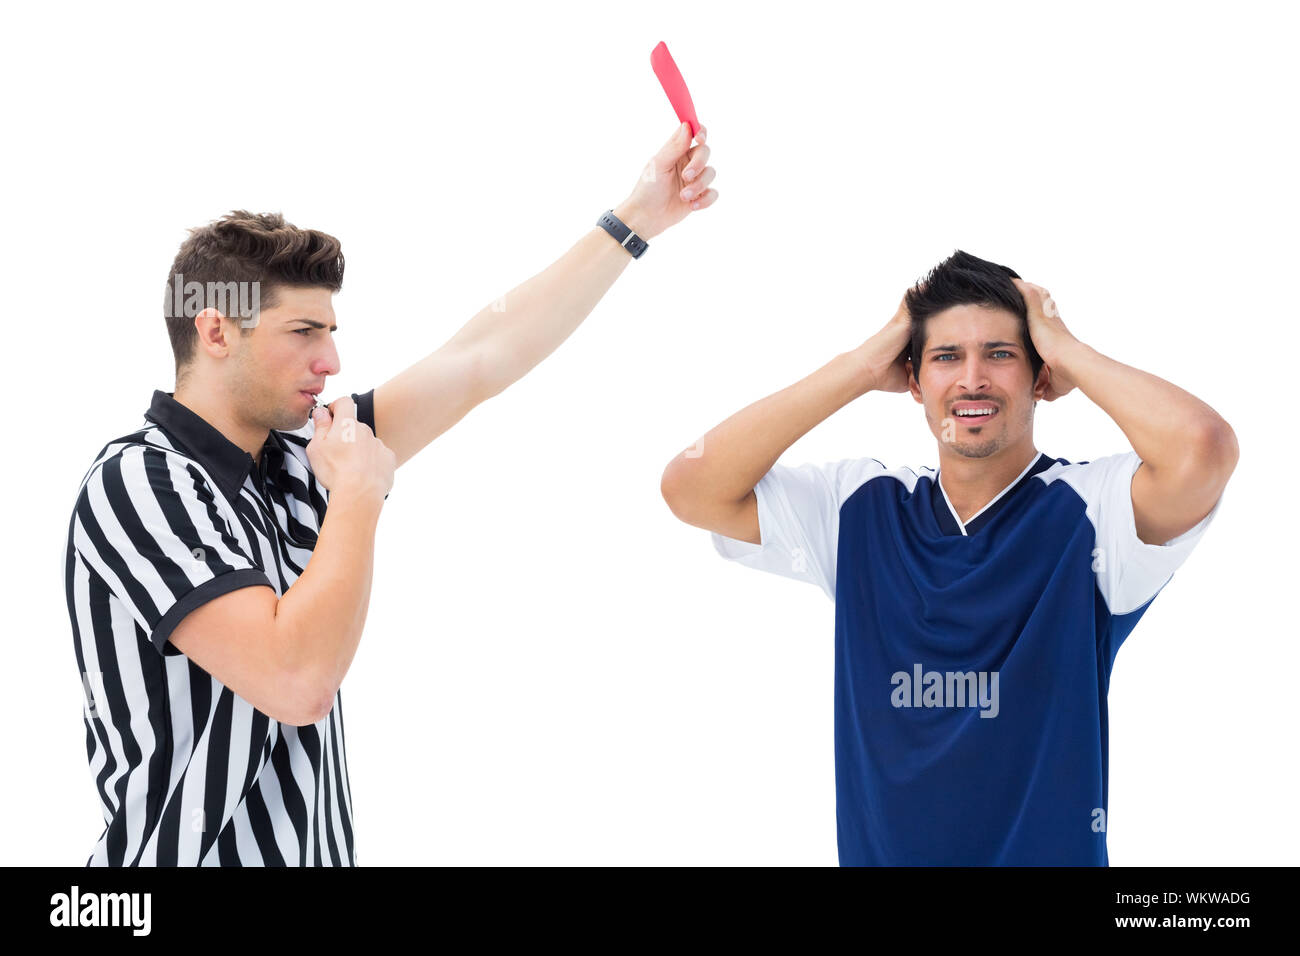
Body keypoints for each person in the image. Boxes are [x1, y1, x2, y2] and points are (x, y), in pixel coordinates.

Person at [64, 122, 718, 866]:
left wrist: (635, 219)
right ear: (216, 330)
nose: (331, 359)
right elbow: (296, 678)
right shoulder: (141, 481)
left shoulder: (302, 458)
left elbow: (480, 358)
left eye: (332, 330)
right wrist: (360, 494)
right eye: (304, 331)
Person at [660, 249, 1238, 865]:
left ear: (1041, 378)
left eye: (1000, 354)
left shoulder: (1094, 516)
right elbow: (691, 487)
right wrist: (858, 366)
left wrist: (1066, 348)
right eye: (944, 357)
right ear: (912, 381)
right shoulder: (859, 509)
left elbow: (1202, 449)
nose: (971, 380)